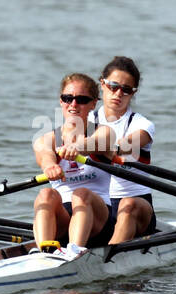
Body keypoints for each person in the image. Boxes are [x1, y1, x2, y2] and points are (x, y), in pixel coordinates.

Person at [32, 74, 116, 258]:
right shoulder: (46, 139)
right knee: (45, 194)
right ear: (61, 101)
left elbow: (96, 143)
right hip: (62, 217)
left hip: (98, 218)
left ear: (94, 104)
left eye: (82, 99)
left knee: (81, 193)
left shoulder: (104, 132)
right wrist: (49, 166)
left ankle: (75, 251)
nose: (74, 104)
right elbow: (44, 155)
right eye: (68, 98)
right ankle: (45, 252)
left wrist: (77, 147)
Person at [93, 56, 155, 243]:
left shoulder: (142, 125)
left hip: (134, 204)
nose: (118, 93)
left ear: (133, 92)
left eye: (126, 90)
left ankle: (107, 263)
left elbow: (123, 147)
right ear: (102, 84)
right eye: (113, 86)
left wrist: (82, 147)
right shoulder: (86, 119)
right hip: (100, 205)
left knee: (127, 205)